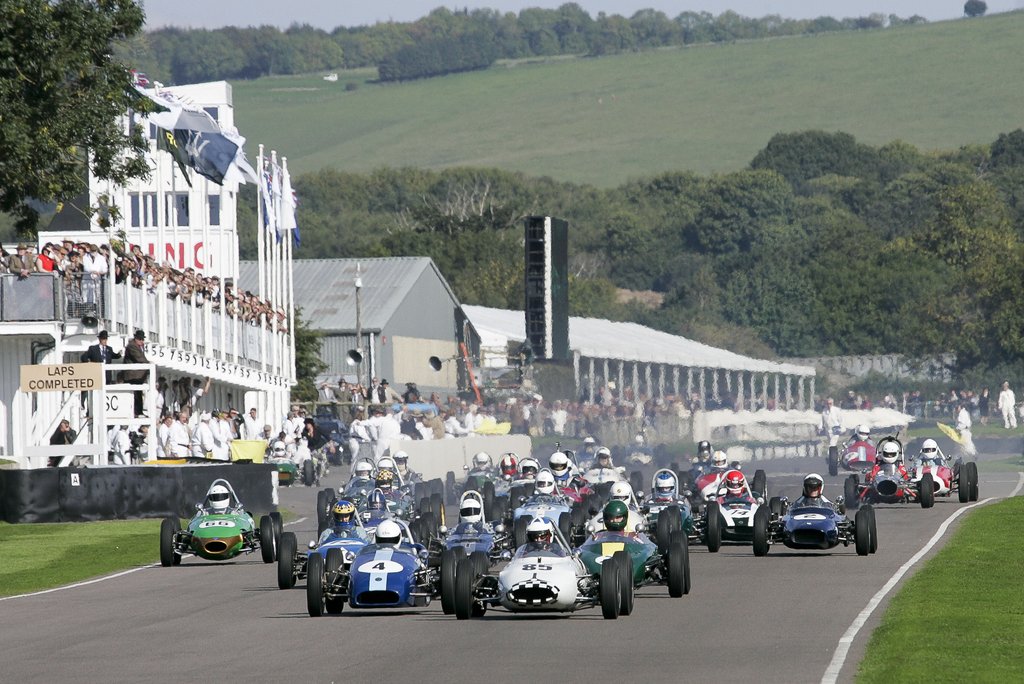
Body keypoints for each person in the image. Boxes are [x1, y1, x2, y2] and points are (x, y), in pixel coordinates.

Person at [119, 330, 150, 417]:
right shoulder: (132, 346)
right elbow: (138, 358)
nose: (142, 341)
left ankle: (138, 412)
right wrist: (148, 364)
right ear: (136, 338)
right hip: (132, 376)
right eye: (140, 339)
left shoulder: (138, 346)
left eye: (142, 339)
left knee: (138, 394)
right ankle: (136, 412)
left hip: (137, 376)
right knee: (135, 395)